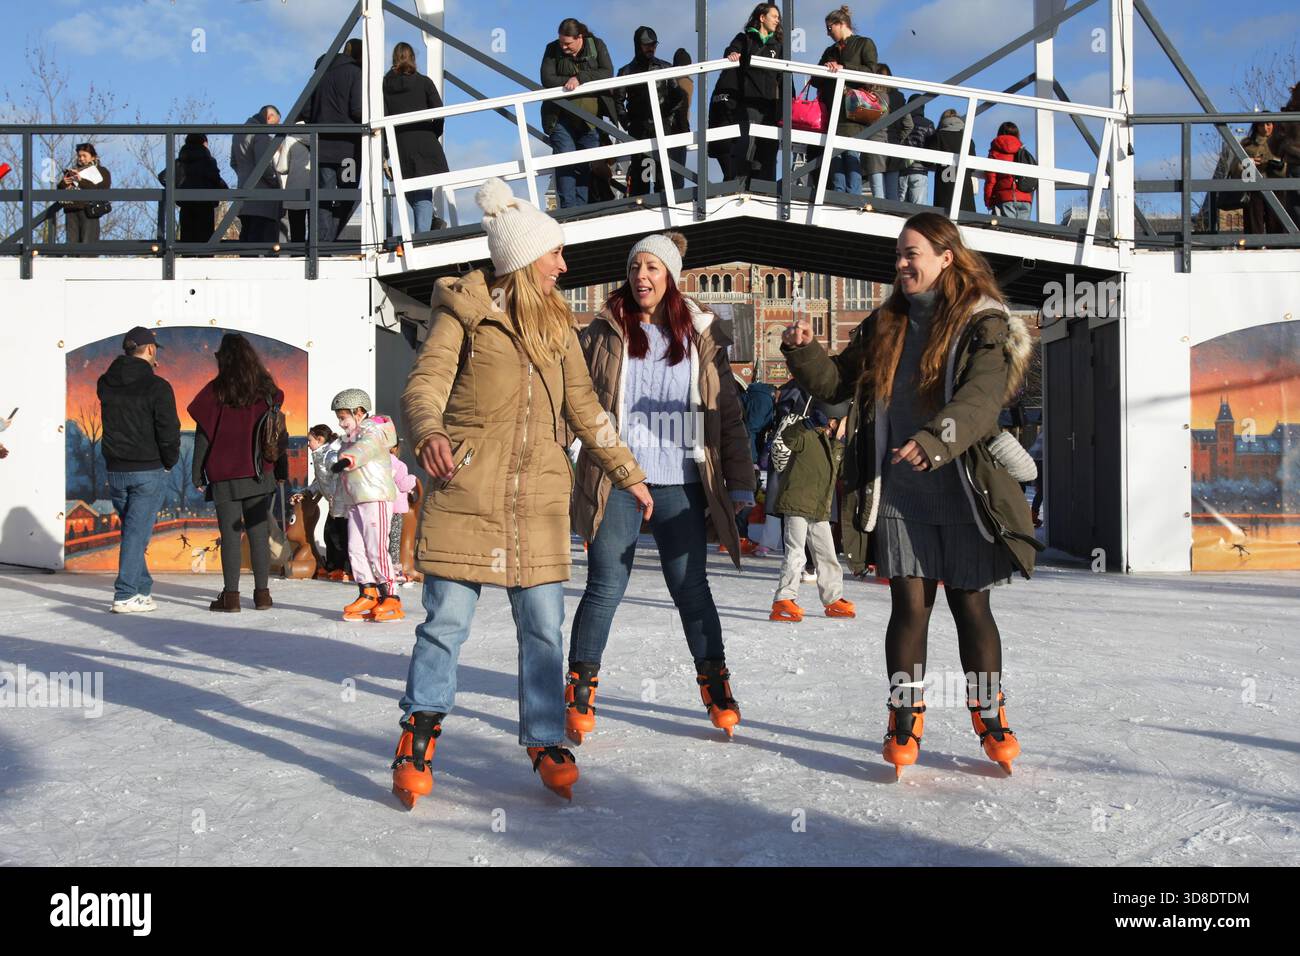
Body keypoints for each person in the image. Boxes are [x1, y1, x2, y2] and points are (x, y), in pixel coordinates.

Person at [393, 177, 653, 807]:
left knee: (542, 628)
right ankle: (418, 732)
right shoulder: (464, 312)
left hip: (537, 502)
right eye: (555, 253)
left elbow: (587, 409)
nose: (564, 265)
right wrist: (428, 430)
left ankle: (544, 736)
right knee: (445, 623)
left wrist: (627, 471)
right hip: (466, 491)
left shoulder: (559, 328)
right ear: (521, 257)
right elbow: (423, 386)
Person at [781, 211, 1039, 779]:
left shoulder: (983, 323)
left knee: (972, 607)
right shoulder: (886, 322)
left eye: (912, 253)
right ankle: (903, 720)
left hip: (964, 488)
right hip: (899, 490)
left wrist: (935, 439)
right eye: (898, 255)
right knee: (909, 608)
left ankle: (989, 714)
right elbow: (835, 385)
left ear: (947, 258)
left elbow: (980, 398)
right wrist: (803, 353)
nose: (901, 264)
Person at [566, 231, 756, 745]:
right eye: (635, 268)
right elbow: (574, 403)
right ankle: (580, 687)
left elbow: (728, 416)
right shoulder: (605, 332)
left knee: (691, 586)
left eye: (652, 267)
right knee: (605, 584)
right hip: (619, 478)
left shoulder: (700, 334)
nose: (641, 277)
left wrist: (739, 481)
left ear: (670, 275)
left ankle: (716, 686)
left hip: (682, 481)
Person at [189, 333, 285, 612]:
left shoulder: (215, 392)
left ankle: (230, 598)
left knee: (229, 537)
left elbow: (203, 436)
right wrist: (280, 469)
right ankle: (262, 595)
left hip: (224, 475)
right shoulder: (266, 390)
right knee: (258, 534)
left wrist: (197, 473)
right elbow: (277, 432)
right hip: (259, 473)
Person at [97, 326, 181, 613]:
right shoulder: (158, 387)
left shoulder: (105, 383)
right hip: (148, 470)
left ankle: (142, 588)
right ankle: (125, 593)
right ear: (150, 350)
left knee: (133, 532)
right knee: (136, 533)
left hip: (116, 469)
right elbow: (169, 430)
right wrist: (170, 461)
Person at [769, 403, 855, 621]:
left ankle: (833, 599)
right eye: (845, 422)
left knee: (827, 555)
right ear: (833, 421)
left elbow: (841, 471)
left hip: (818, 509)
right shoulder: (806, 434)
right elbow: (789, 438)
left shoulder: (835, 445)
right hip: (797, 504)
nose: (848, 427)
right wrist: (806, 424)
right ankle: (783, 600)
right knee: (796, 553)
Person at [330, 390, 403, 623]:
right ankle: (368, 591)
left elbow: (367, 447)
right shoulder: (348, 440)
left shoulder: (371, 430)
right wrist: (338, 507)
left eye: (344, 417)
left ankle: (390, 595)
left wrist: (348, 459)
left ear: (359, 412)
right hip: (356, 501)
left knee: (376, 547)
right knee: (355, 548)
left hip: (375, 497)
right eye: (339, 418)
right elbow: (344, 480)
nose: (341, 423)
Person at [540, 18, 617, 208]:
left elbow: (607, 72)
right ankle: (568, 210)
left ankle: (581, 209)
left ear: (579, 37)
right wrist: (570, 82)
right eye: (561, 43)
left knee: (584, 164)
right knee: (565, 158)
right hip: (560, 117)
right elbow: (547, 79)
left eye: (567, 43)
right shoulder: (552, 49)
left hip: (590, 120)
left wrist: (580, 78)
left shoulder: (597, 45)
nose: (563, 47)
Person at [383, 41, 449, 235]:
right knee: (422, 193)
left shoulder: (385, 85)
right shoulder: (424, 82)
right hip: (425, 142)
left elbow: (383, 116)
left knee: (409, 190)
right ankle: (423, 238)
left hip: (400, 145)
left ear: (394, 59)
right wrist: (433, 133)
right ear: (413, 58)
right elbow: (440, 111)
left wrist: (385, 150)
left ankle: (428, 226)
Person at [812, 5, 878, 195]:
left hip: (853, 110)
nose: (827, 33)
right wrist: (826, 68)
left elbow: (871, 72)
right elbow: (816, 80)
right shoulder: (829, 51)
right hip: (832, 108)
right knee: (834, 154)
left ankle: (853, 195)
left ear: (840, 24)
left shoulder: (864, 43)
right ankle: (839, 194)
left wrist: (843, 67)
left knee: (850, 152)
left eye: (829, 28)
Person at [305, 38, 364, 243]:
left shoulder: (320, 73)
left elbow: (305, 110)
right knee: (348, 196)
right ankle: (331, 239)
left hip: (322, 147)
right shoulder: (356, 73)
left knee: (323, 196)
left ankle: (321, 242)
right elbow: (357, 110)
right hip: (349, 149)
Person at [616, 26, 685, 196]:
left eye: (653, 44)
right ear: (637, 45)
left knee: (664, 173)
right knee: (641, 176)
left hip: (662, 126)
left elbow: (678, 96)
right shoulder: (626, 72)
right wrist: (628, 124)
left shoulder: (665, 67)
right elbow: (617, 101)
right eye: (647, 44)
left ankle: (665, 204)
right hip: (639, 129)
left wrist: (666, 116)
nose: (651, 48)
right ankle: (642, 207)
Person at [724, 4, 784, 185]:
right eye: (774, 16)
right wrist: (733, 53)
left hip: (771, 106)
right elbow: (730, 51)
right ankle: (740, 188)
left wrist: (789, 102)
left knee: (768, 149)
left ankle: (765, 190)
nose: (777, 20)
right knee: (746, 146)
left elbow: (783, 76)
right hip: (749, 103)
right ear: (762, 18)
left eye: (778, 17)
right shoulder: (745, 38)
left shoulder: (779, 45)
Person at [292, 424, 350, 578]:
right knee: (329, 534)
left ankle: (345, 568)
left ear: (320, 439)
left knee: (339, 536)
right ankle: (332, 566)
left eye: (310, 440)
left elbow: (339, 476)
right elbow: (320, 480)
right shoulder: (319, 455)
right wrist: (308, 492)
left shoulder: (330, 455)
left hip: (342, 504)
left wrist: (334, 495)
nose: (308, 444)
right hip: (334, 503)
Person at [230, 105, 284, 243]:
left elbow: (233, 163)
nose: (274, 129)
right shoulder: (261, 134)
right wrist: (276, 183)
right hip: (262, 199)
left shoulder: (238, 134)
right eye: (275, 124)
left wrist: (245, 176)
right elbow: (264, 166)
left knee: (247, 236)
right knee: (262, 241)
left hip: (243, 195)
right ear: (269, 117)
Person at [164, 133, 228, 243]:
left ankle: (187, 257)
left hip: (186, 205)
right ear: (204, 143)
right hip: (205, 205)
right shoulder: (208, 161)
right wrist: (225, 190)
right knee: (205, 241)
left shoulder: (180, 161)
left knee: (187, 239)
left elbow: (164, 177)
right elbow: (216, 179)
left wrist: (176, 187)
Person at [57, 143, 112, 244]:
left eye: (84, 156)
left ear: (93, 157)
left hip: (89, 211)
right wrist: (63, 184)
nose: (81, 158)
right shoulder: (74, 171)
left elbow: (101, 190)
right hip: (71, 210)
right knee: (71, 244)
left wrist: (81, 181)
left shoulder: (102, 171)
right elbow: (60, 192)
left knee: (88, 243)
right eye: (79, 156)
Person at [1240, 120, 1284, 235]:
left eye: (1268, 124)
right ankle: (1255, 247)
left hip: (1277, 187)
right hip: (1254, 189)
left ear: (1274, 125)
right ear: (1256, 127)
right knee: (1254, 223)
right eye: (1261, 125)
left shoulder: (1282, 143)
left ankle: (1277, 248)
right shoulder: (1247, 144)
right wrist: (1248, 163)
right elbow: (1235, 168)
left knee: (1276, 223)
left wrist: (1279, 166)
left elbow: (1289, 166)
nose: (1265, 128)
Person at [931, 108, 978, 214]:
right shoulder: (967, 139)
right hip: (964, 189)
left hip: (944, 186)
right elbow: (972, 166)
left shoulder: (938, 136)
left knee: (944, 222)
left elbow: (927, 162)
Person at [984, 121, 1034, 219]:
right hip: (1025, 198)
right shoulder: (1022, 151)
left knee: (1006, 232)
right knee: (1023, 233)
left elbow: (991, 180)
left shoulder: (995, 152)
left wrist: (988, 200)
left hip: (1005, 198)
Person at [875, 65, 911, 201]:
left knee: (877, 194)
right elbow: (909, 125)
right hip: (893, 144)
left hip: (874, 143)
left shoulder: (871, 96)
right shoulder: (899, 97)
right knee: (892, 194)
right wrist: (898, 138)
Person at [1267, 83, 1300, 228]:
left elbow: (1273, 145)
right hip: (1294, 165)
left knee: (1295, 208)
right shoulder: (1287, 115)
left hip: (1294, 165)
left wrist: (1286, 148)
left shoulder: (1287, 114)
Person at [387, 439, 418, 585]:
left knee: (381, 540)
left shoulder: (376, 462)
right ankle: (394, 573)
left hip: (380, 506)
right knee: (394, 540)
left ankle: (377, 570)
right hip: (395, 508)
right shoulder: (399, 465)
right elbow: (403, 484)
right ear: (394, 448)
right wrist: (413, 479)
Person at [280, 121, 313, 244]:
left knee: (296, 229)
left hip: (295, 190)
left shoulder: (289, 140)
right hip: (315, 188)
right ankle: (313, 254)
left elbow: (281, 168)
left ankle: (297, 253)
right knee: (314, 228)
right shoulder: (317, 138)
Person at [899, 93, 934, 204]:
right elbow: (932, 146)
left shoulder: (901, 122)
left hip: (902, 170)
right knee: (917, 211)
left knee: (898, 209)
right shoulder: (928, 124)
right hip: (920, 170)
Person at [667, 48, 694, 190]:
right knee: (677, 173)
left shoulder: (672, 79)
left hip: (670, 128)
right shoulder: (685, 81)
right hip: (678, 129)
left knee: (669, 173)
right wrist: (685, 129)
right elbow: (683, 109)